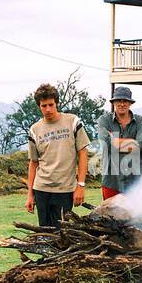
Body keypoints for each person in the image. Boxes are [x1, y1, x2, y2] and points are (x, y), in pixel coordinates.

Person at [25, 82, 89, 226]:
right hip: (41, 188)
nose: (48, 109)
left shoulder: (72, 122)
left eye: (51, 104)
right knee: (45, 234)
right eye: (44, 106)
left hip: (65, 189)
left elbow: (83, 154)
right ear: (39, 106)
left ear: (57, 103)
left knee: (62, 234)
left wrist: (80, 185)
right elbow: (33, 163)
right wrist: (30, 195)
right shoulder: (35, 130)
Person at [96, 86, 142, 200]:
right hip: (111, 181)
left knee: (135, 217)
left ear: (130, 103)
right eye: (118, 101)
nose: (122, 104)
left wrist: (115, 142)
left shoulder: (140, 121)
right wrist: (132, 143)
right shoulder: (104, 120)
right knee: (109, 216)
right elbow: (106, 143)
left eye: (125, 101)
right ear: (113, 102)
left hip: (134, 181)